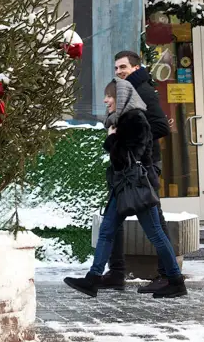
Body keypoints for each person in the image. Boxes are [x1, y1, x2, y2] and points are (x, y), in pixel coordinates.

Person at [63, 78, 187, 299]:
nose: (105, 100)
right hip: (124, 186)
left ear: (121, 97)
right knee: (107, 231)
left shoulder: (135, 119)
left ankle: (176, 281)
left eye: (110, 96)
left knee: (156, 234)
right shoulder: (122, 120)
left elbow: (127, 159)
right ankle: (92, 279)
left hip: (137, 186)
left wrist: (112, 140)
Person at [97, 50, 171, 294]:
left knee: (154, 220)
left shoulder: (142, 90)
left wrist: (131, 140)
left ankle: (168, 275)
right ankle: (115, 272)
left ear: (136, 68)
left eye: (124, 67)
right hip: (127, 166)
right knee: (113, 219)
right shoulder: (124, 89)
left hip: (141, 166)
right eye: (116, 68)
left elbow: (159, 126)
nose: (119, 71)